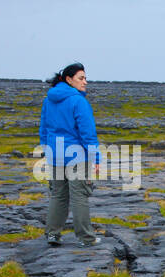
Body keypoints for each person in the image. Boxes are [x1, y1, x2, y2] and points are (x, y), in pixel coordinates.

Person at [39, 63, 102, 246]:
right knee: (79, 196)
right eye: (81, 78)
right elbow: (87, 133)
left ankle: (52, 233)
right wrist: (95, 158)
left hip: (55, 155)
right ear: (69, 79)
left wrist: (47, 150)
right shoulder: (78, 101)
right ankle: (86, 238)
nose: (86, 82)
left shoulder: (48, 100)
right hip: (76, 157)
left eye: (85, 78)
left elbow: (44, 129)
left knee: (58, 195)